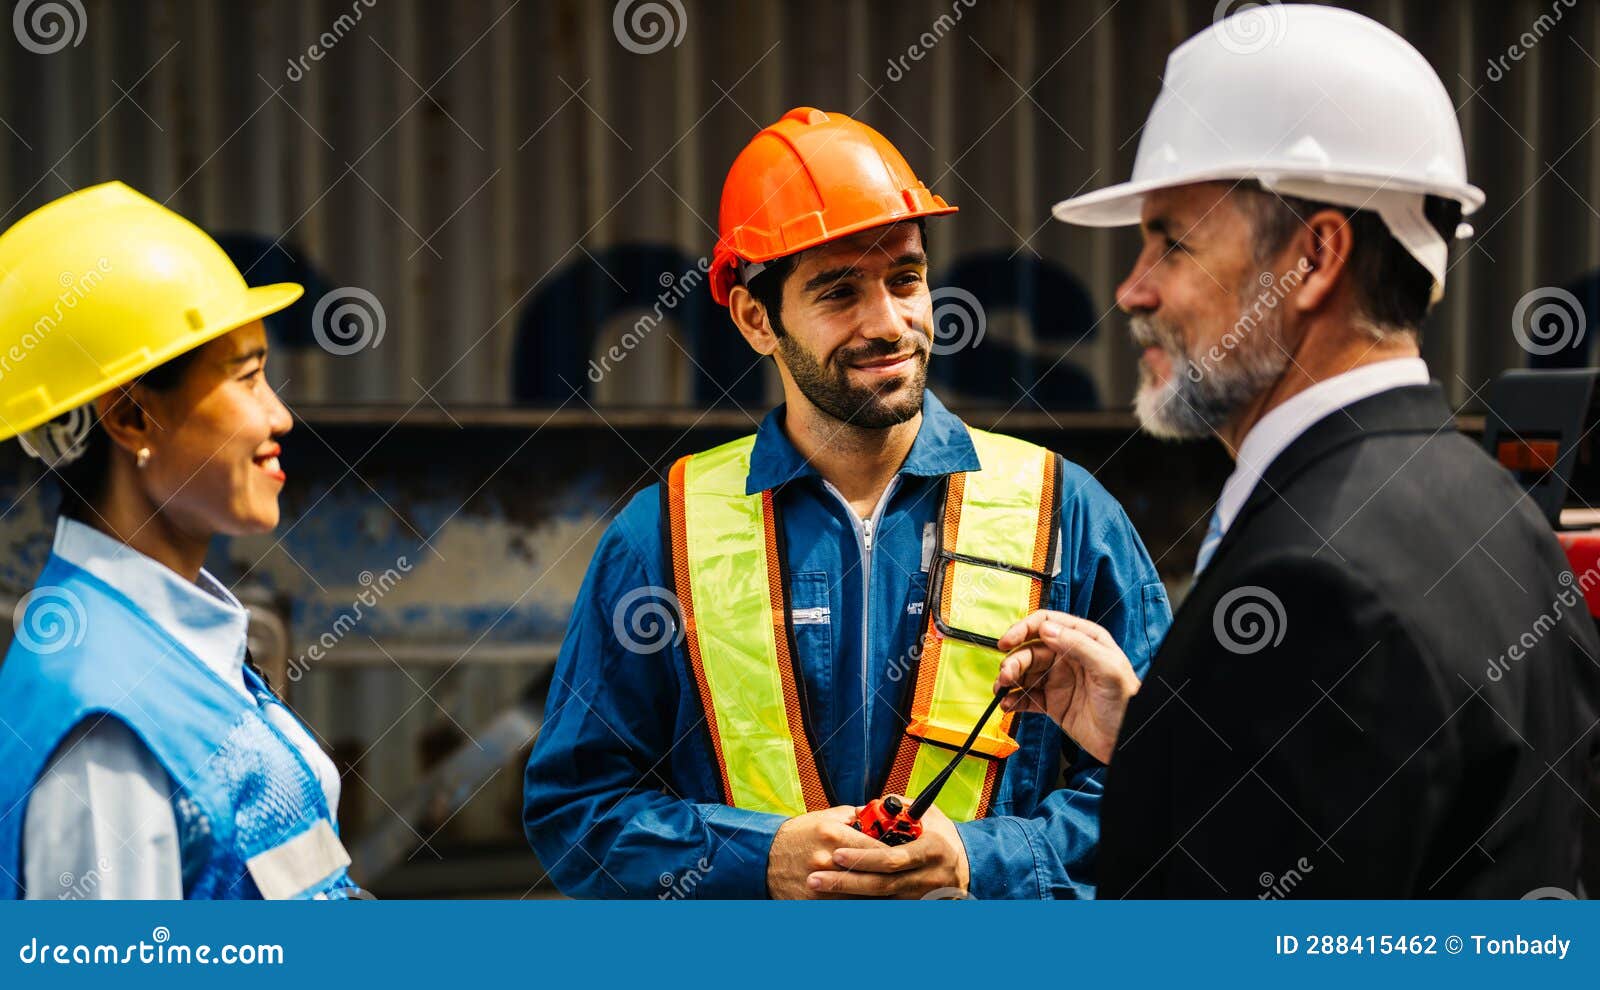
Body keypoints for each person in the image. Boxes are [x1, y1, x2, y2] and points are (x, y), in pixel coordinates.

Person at [999, 5, 1600, 897]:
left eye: (1174, 241)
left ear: (1316, 256)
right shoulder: (1494, 511)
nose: (1131, 289)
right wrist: (1161, 741)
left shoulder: (1315, 584)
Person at [524, 108, 1171, 899]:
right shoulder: (663, 535)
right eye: (839, 291)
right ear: (756, 318)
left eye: (906, 279)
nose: (889, 323)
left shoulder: (1065, 514)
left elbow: (1174, 786)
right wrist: (761, 857)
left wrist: (983, 860)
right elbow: (577, 811)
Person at [0, 182, 360, 899]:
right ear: (132, 418)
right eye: (249, 377)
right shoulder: (103, 721)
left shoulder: (171, 650)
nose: (280, 416)